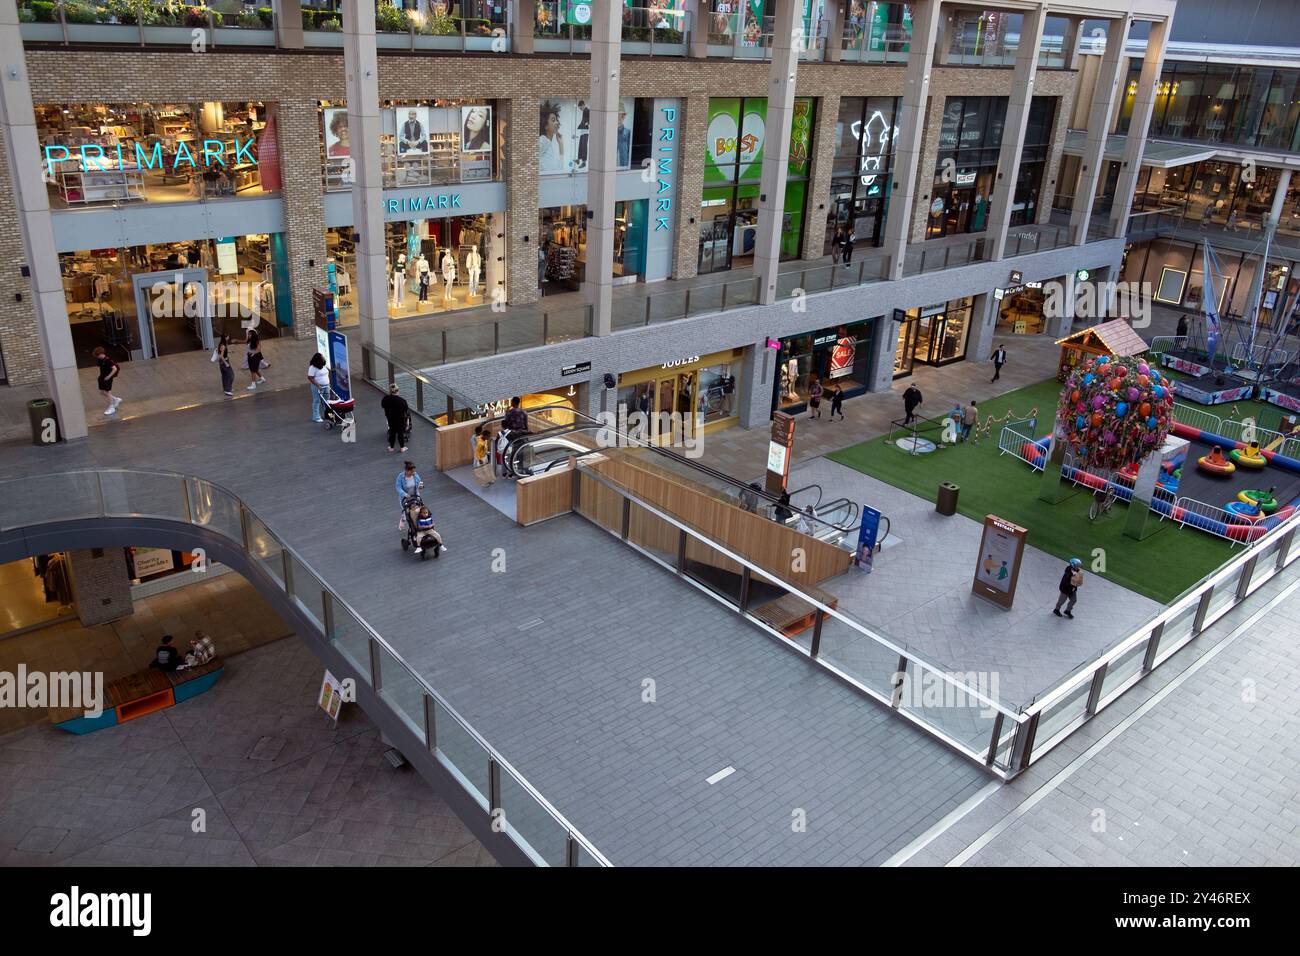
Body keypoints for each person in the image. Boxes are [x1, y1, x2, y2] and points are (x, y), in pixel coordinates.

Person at [93, 346, 122, 417]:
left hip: (107, 378)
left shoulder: (108, 360)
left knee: (108, 392)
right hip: (102, 377)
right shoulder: (100, 360)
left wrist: (109, 376)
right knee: (102, 392)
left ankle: (112, 407)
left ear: (101, 354)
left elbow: (114, 369)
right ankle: (115, 399)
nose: (97, 357)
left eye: (97, 355)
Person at [381, 383, 411, 453]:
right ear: (397, 391)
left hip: (390, 418)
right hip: (400, 419)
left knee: (392, 432)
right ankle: (402, 448)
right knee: (400, 433)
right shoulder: (402, 401)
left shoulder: (385, 398)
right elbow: (405, 409)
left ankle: (391, 447)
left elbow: (383, 406)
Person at [538, 105, 565, 174]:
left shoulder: (549, 143)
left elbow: (559, 169)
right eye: (553, 120)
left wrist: (561, 144)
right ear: (545, 126)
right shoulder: (542, 140)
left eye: (556, 120)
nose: (557, 123)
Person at [307, 352, 330, 423]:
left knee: (327, 400)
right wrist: (318, 385)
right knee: (317, 401)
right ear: (318, 359)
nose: (323, 358)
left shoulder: (323, 365)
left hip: (326, 385)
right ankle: (316, 417)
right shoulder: (312, 367)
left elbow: (327, 373)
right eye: (322, 357)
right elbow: (310, 377)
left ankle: (327, 415)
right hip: (317, 386)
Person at [215, 332, 234, 397]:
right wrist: (226, 363)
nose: (228, 337)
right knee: (231, 375)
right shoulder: (223, 345)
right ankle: (227, 390)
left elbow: (222, 352)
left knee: (224, 375)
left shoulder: (222, 343)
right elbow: (221, 356)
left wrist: (229, 351)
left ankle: (226, 388)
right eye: (228, 336)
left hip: (222, 362)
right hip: (224, 361)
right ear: (225, 338)